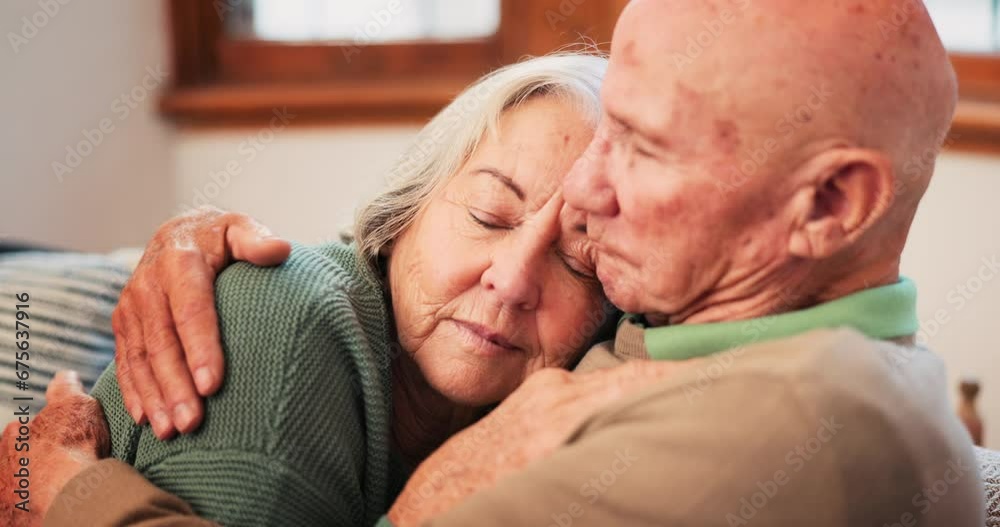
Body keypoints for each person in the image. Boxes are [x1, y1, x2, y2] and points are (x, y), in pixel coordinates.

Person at [5, 0, 988, 525]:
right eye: (486, 211)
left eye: (642, 146)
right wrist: (193, 238)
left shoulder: (792, 428)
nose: (587, 195)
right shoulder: (720, 319)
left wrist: (68, 489)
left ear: (828, 206)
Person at [1, 53, 682, 527]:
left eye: (579, 264)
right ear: (405, 211)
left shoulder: (584, 392)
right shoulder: (287, 323)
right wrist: (70, 493)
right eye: (488, 215)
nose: (512, 280)